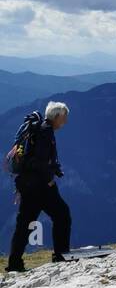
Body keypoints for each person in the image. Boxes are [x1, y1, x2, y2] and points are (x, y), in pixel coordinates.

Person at [6, 101, 74, 272]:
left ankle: (14, 263)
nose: (65, 122)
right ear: (57, 116)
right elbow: (39, 161)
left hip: (27, 185)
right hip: (41, 187)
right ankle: (61, 255)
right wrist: (49, 179)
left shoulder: (40, 129)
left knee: (25, 224)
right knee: (62, 215)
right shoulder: (45, 132)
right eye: (64, 117)